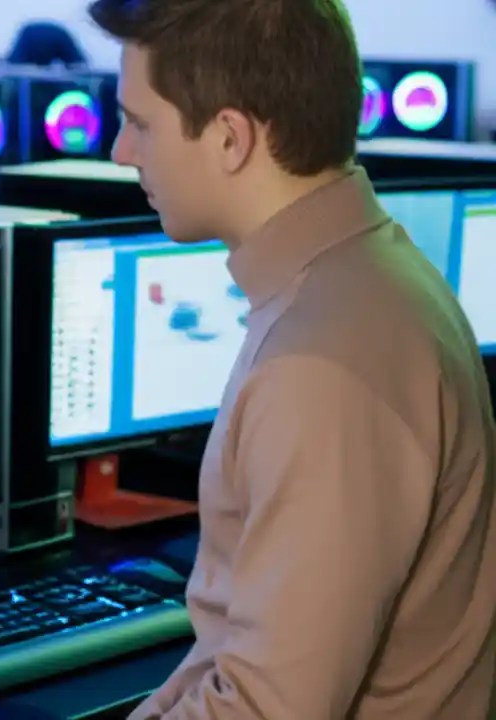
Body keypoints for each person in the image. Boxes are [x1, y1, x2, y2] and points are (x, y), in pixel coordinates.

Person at [86, 0, 496, 717]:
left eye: (140, 123)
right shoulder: (364, 278)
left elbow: (268, 709)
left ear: (229, 138)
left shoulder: (323, 361)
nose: (122, 152)